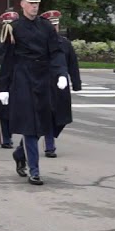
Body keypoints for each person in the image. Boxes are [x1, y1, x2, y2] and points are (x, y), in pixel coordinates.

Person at [0, 0, 67, 185]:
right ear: (22, 4)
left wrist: (61, 73)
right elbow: (7, 60)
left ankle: (20, 153)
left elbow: (56, 52)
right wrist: (4, 87)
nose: (34, 7)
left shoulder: (46, 26)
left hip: (43, 78)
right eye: (31, 3)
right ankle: (34, 171)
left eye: (37, 3)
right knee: (30, 125)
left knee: (42, 125)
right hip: (23, 78)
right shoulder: (13, 28)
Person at [39, 10, 80, 158]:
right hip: (44, 84)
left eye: (56, 25)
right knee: (48, 116)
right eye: (51, 25)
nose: (54, 28)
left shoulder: (65, 43)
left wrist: (76, 83)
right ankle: (50, 146)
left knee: (62, 116)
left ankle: (47, 137)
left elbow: (72, 64)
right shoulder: (40, 44)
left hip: (61, 85)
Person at [0, 11, 17, 148]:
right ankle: (6, 138)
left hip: (18, 79)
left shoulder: (20, 42)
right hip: (3, 79)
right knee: (4, 111)